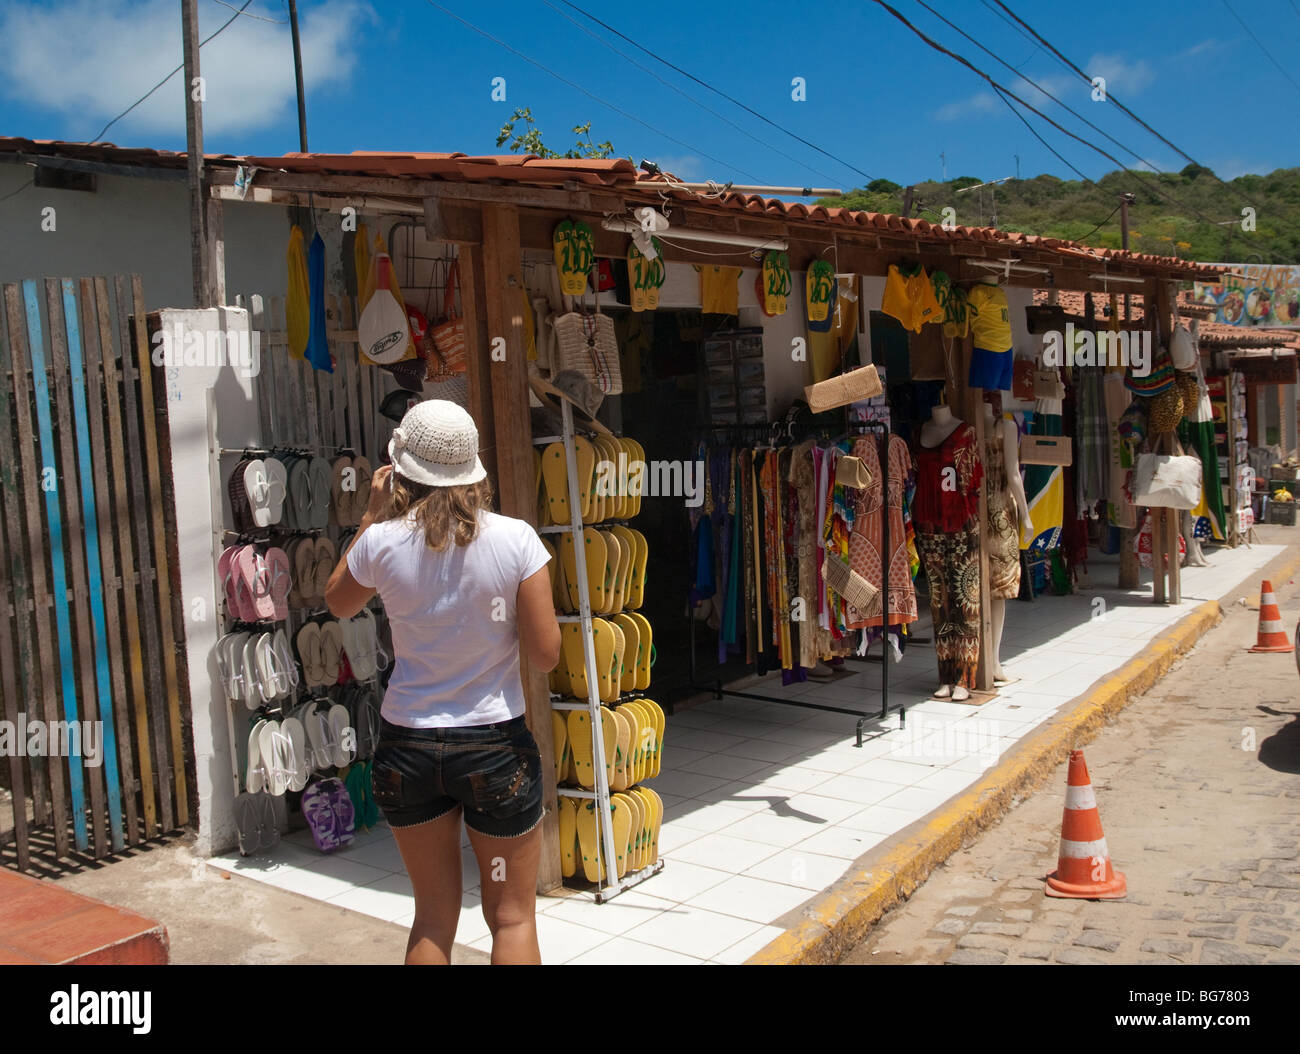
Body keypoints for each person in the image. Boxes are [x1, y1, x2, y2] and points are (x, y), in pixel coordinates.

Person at [326, 400, 560, 965]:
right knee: (511, 917)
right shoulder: (516, 540)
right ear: (472, 467)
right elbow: (546, 656)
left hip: (408, 747)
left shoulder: (382, 542)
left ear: (401, 469)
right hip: (494, 748)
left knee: (432, 918)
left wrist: (369, 517)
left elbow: (336, 602)